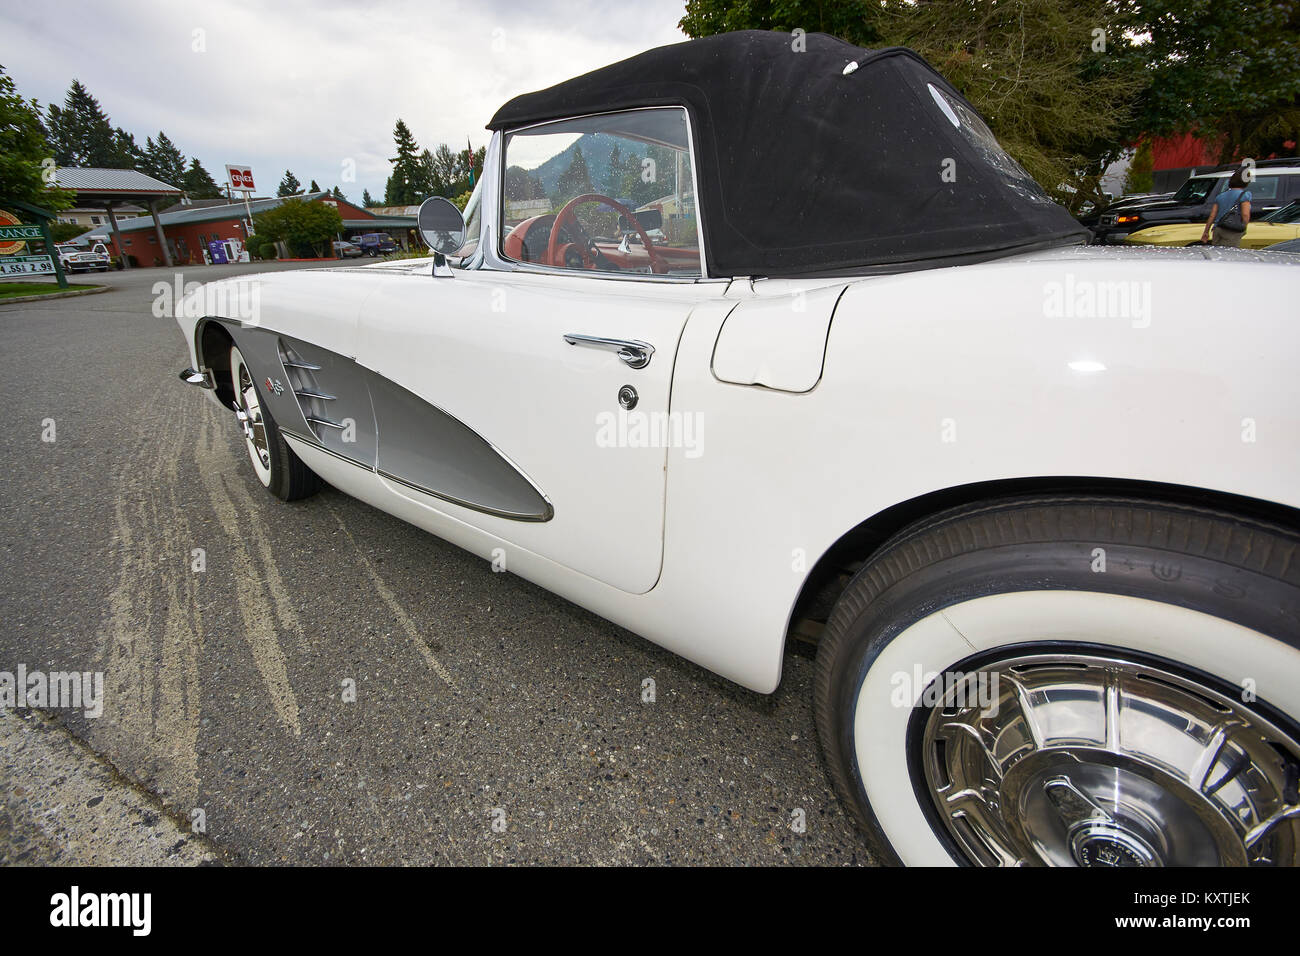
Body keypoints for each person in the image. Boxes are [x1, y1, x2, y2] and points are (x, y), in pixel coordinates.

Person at [1200, 167, 1253, 247]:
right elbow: (1245, 214)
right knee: (1229, 255)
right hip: (1232, 230)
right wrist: (1243, 228)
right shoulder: (1245, 195)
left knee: (1216, 254)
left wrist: (1206, 232)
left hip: (1218, 229)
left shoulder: (1220, 196)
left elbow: (1212, 216)